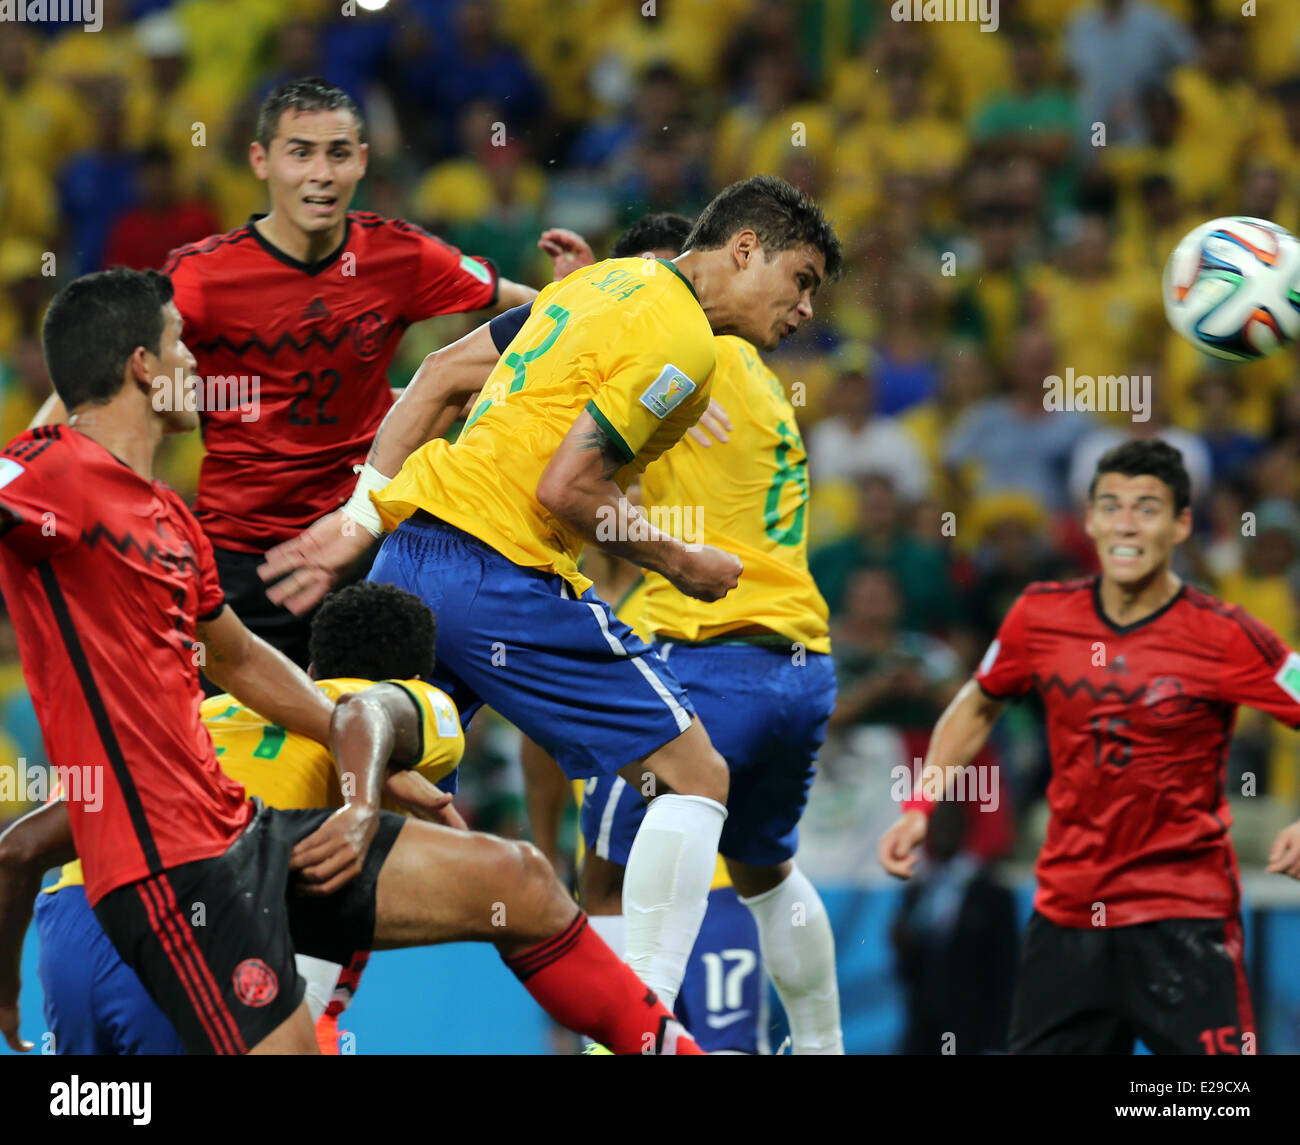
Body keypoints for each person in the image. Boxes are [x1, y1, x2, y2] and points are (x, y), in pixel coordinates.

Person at [0, 267, 699, 1055]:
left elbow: (238, 659)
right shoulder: (49, 473)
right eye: (180, 346)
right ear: (141, 366)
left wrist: (338, 734)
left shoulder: (171, 518)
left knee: (522, 882)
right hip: (171, 867)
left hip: (239, 832)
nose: (197, 363)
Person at [259, 174, 843, 1016]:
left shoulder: (599, 283)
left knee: (355, 780)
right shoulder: (689, 349)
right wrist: (680, 560)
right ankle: (646, 1027)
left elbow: (440, 370)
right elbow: (566, 489)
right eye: (801, 280)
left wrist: (360, 514)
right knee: (694, 776)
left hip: (414, 554)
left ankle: (289, 1013)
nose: (806, 309)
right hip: (504, 578)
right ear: (745, 249)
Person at [40, 77, 540, 669]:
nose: (320, 173)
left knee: (380, 734)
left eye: (336, 153)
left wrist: (582, 296)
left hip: (364, 548)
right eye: (299, 152)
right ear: (261, 160)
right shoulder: (206, 275)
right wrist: (24, 462)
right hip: (243, 562)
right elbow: (103, 368)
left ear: (361, 161)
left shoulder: (400, 256)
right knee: (231, 749)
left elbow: (536, 315)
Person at [520, 213, 841, 1054]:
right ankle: (821, 1045)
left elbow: (573, 477)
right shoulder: (755, 373)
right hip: (799, 665)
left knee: (604, 880)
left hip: (700, 654)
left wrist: (578, 297)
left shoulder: (683, 352)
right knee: (768, 871)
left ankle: (630, 1041)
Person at [879, 439, 1300, 1054]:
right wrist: (922, 805)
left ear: (1183, 524)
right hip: (1068, 922)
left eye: (1147, 508)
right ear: (1088, 521)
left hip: (1185, 924)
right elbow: (978, 700)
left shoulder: (1227, 635)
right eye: (1111, 506)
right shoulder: (1039, 617)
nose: (1125, 523)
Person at [24, 580, 466, 1056]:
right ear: (420, 681)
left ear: (311, 670)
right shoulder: (421, 703)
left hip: (73, 911)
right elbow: (366, 714)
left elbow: (67, 809)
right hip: (192, 915)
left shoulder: (210, 707)